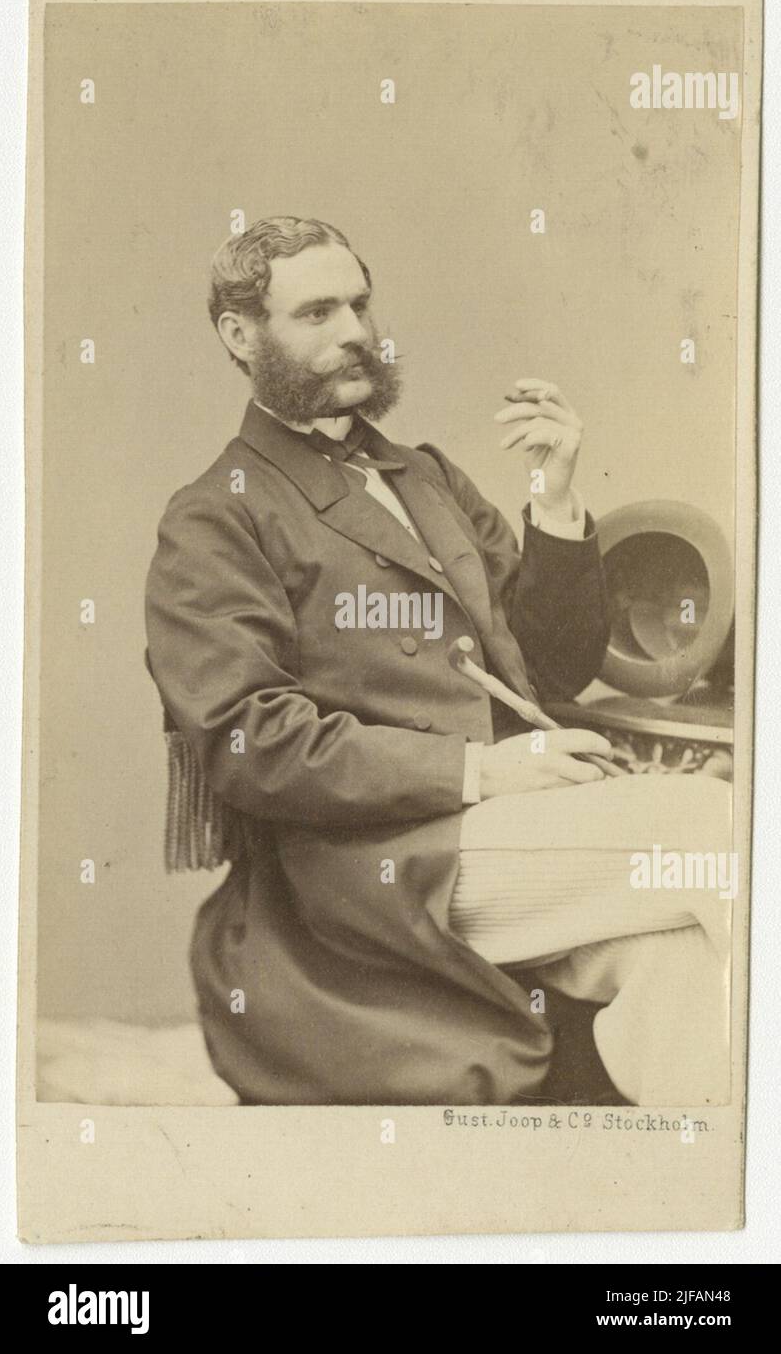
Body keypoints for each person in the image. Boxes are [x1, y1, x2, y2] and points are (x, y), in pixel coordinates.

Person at [144, 215, 732, 1107]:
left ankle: (678, 1206)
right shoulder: (217, 514)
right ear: (240, 334)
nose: (352, 332)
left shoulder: (425, 476)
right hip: (374, 863)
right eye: (315, 313)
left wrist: (557, 496)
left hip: (504, 831)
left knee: (682, 960)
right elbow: (247, 739)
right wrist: (481, 770)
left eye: (359, 303)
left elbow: (552, 669)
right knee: (718, 831)